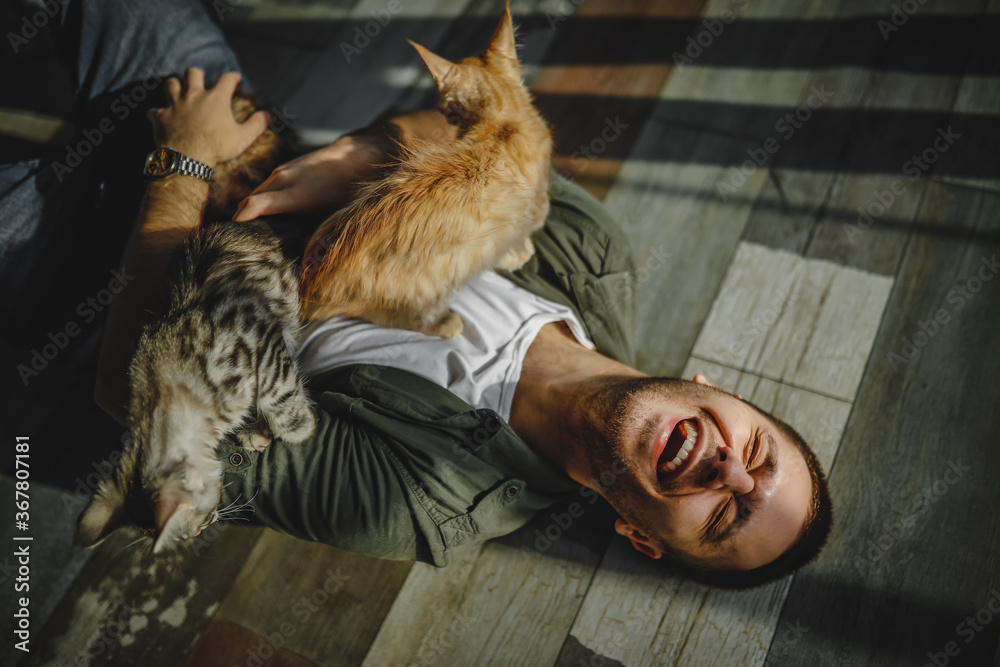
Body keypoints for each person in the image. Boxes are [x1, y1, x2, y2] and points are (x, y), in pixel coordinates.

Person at [8, 0, 832, 590]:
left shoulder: (419, 502)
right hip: (242, 150)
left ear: (641, 539)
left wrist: (180, 165)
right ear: (723, 393)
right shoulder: (596, 259)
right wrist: (355, 154)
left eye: (724, 517)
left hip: (116, 277)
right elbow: (480, 130)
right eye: (756, 452)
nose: (729, 470)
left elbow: (136, 397)